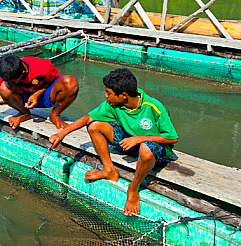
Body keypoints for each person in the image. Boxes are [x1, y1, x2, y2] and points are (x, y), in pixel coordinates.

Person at [49, 68, 178, 216]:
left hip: (154, 149)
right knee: (95, 125)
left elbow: (172, 137)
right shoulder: (113, 104)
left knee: (146, 149)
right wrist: (62, 133)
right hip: (129, 142)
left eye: (109, 93)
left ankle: (134, 188)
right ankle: (109, 170)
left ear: (123, 95)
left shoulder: (153, 106)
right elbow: (88, 118)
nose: (106, 96)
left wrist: (140, 139)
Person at [0, 54, 79, 152]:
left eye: (13, 81)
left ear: (23, 72)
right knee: (4, 88)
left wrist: (38, 93)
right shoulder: (1, 73)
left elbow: (56, 83)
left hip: (43, 95)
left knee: (70, 83)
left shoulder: (42, 66)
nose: (10, 83)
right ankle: (24, 112)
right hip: (23, 97)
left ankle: (55, 114)